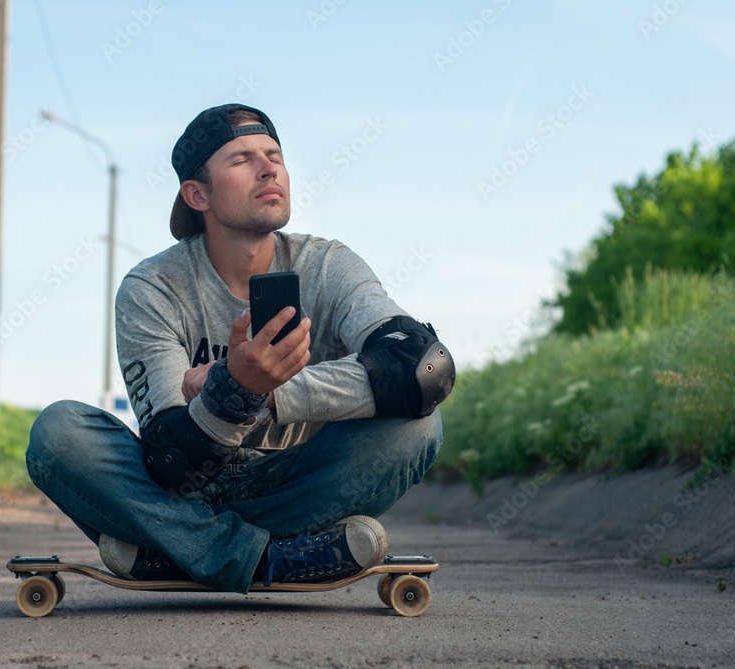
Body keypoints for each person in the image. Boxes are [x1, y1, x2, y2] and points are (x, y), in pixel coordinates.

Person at [26, 103, 455, 594]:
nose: (269, 168)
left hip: (297, 481)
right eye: (241, 159)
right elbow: (171, 461)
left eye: (274, 155)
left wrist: (264, 391)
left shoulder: (329, 265)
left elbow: (423, 368)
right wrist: (233, 393)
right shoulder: (153, 287)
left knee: (418, 425)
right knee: (58, 433)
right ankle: (271, 560)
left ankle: (175, 551)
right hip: (183, 490)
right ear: (198, 193)